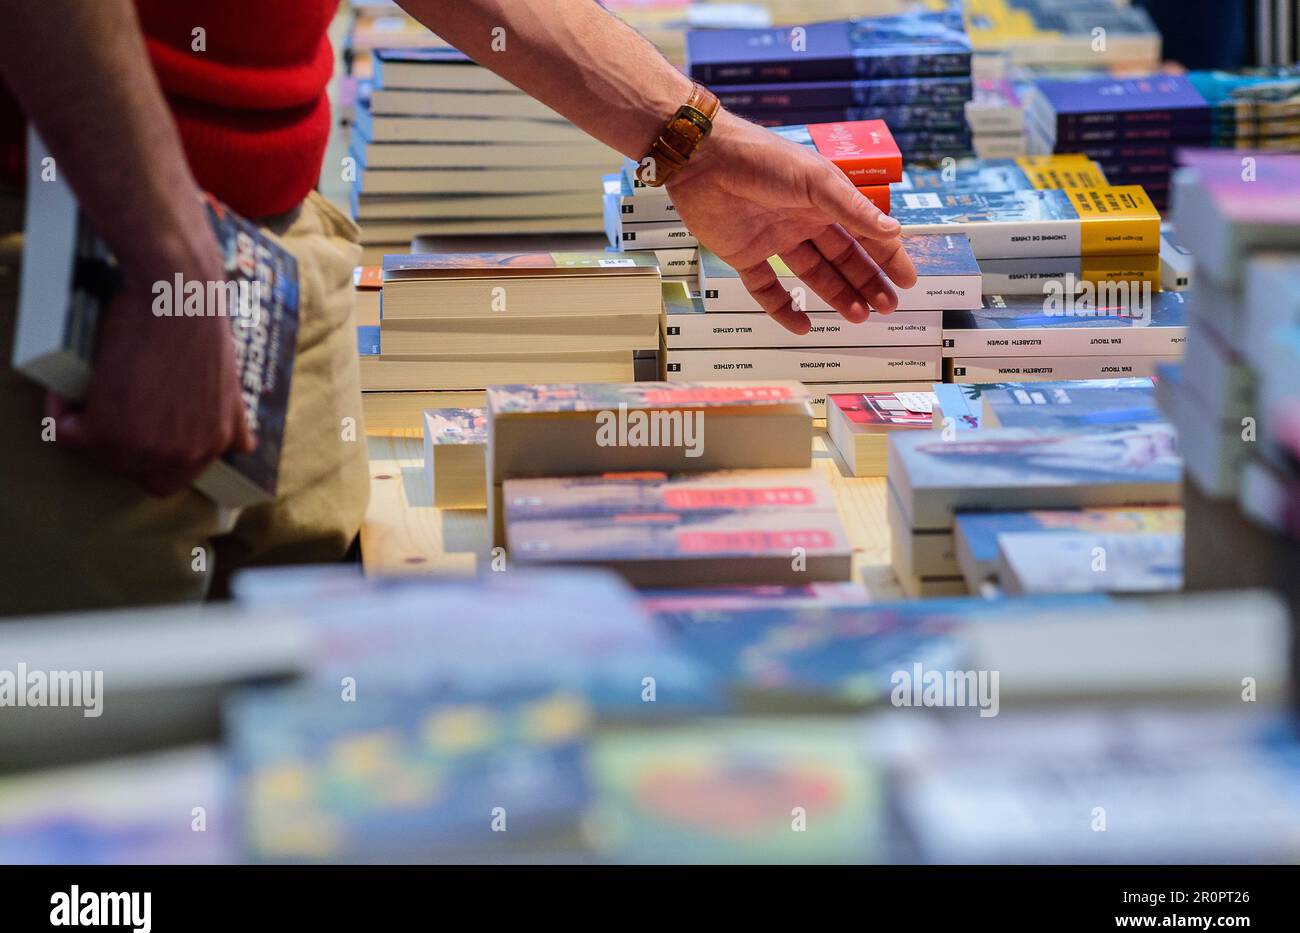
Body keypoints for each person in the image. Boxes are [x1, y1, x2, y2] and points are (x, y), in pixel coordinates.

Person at [0, 0, 915, 616]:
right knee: (96, 737)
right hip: (82, 244)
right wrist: (165, 257)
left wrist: (694, 141)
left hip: (268, 235)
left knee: (302, 676)